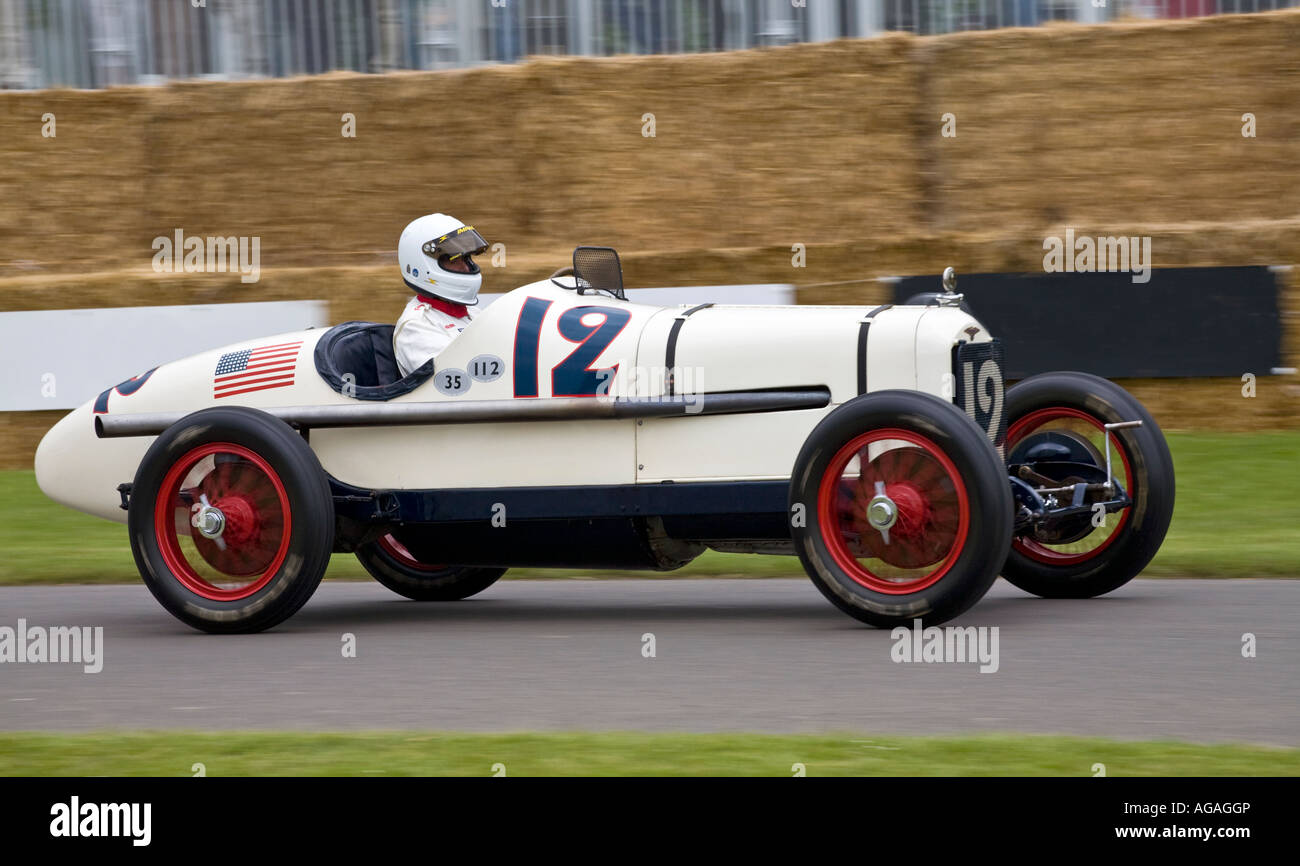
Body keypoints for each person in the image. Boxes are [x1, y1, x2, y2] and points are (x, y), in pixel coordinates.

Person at [393, 213, 489, 377]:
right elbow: (463, 382)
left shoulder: (474, 313)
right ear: (422, 265)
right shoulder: (416, 327)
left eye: (466, 258)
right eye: (454, 260)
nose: (466, 268)